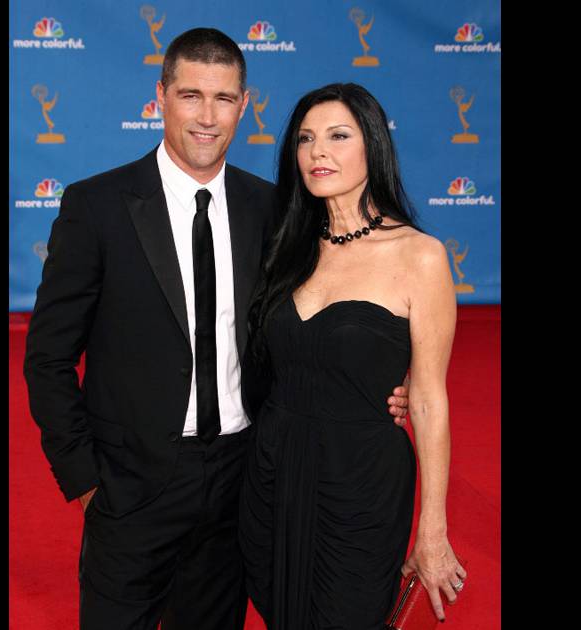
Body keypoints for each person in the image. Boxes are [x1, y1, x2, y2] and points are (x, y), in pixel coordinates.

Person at [23, 30, 409, 630]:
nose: (207, 117)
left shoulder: (273, 209)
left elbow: (322, 317)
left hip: (241, 477)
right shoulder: (97, 206)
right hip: (132, 484)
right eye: (191, 95)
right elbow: (47, 357)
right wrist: (86, 480)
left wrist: (382, 384)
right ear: (160, 97)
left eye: (224, 98)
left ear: (244, 105)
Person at [239, 83, 468, 629]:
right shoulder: (284, 244)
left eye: (338, 136)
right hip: (273, 472)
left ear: (373, 146)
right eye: (305, 139)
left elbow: (428, 399)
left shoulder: (420, 256)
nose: (318, 151)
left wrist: (432, 530)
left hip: (362, 482)